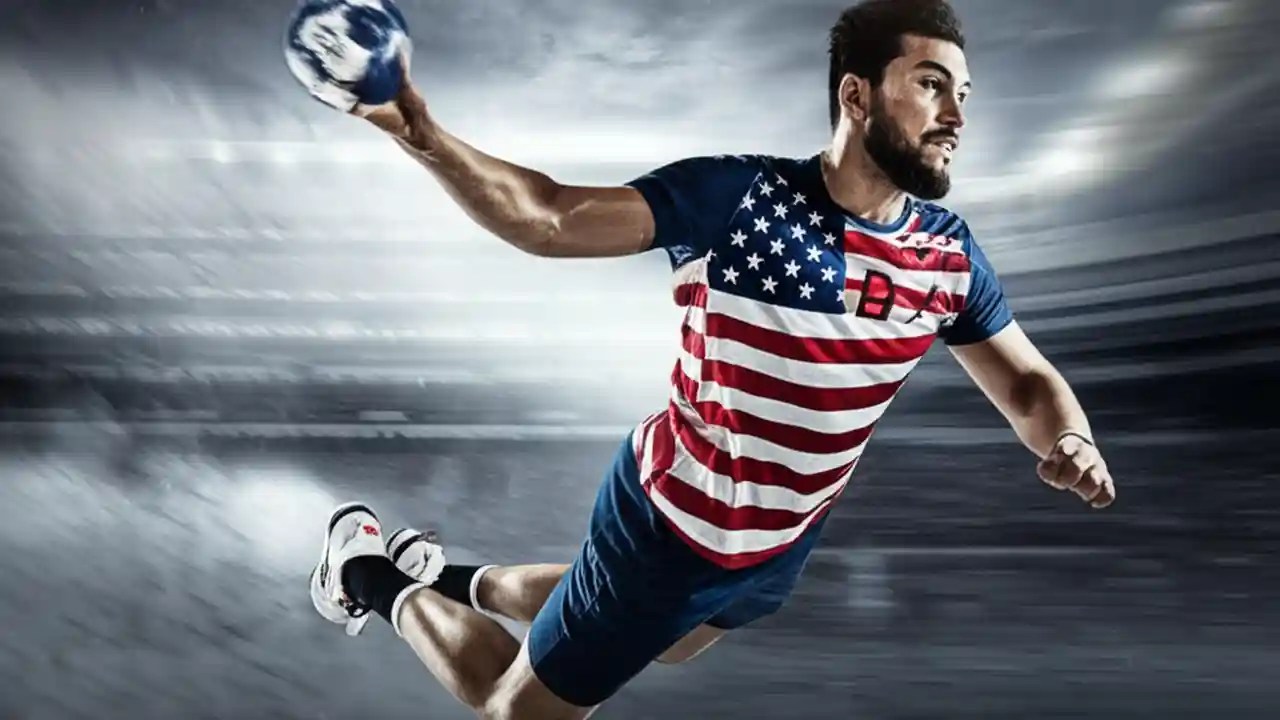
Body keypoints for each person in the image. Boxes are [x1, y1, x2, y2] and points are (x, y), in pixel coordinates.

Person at [308, 1, 1118, 717]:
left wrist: (1068, 437)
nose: (956, 116)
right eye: (933, 85)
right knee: (515, 709)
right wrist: (421, 133)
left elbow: (1024, 379)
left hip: (779, 544)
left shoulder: (947, 256)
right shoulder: (738, 201)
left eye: (964, 95)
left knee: (666, 641)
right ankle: (369, 571)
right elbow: (550, 219)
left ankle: (445, 573)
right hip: (669, 530)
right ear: (856, 94)